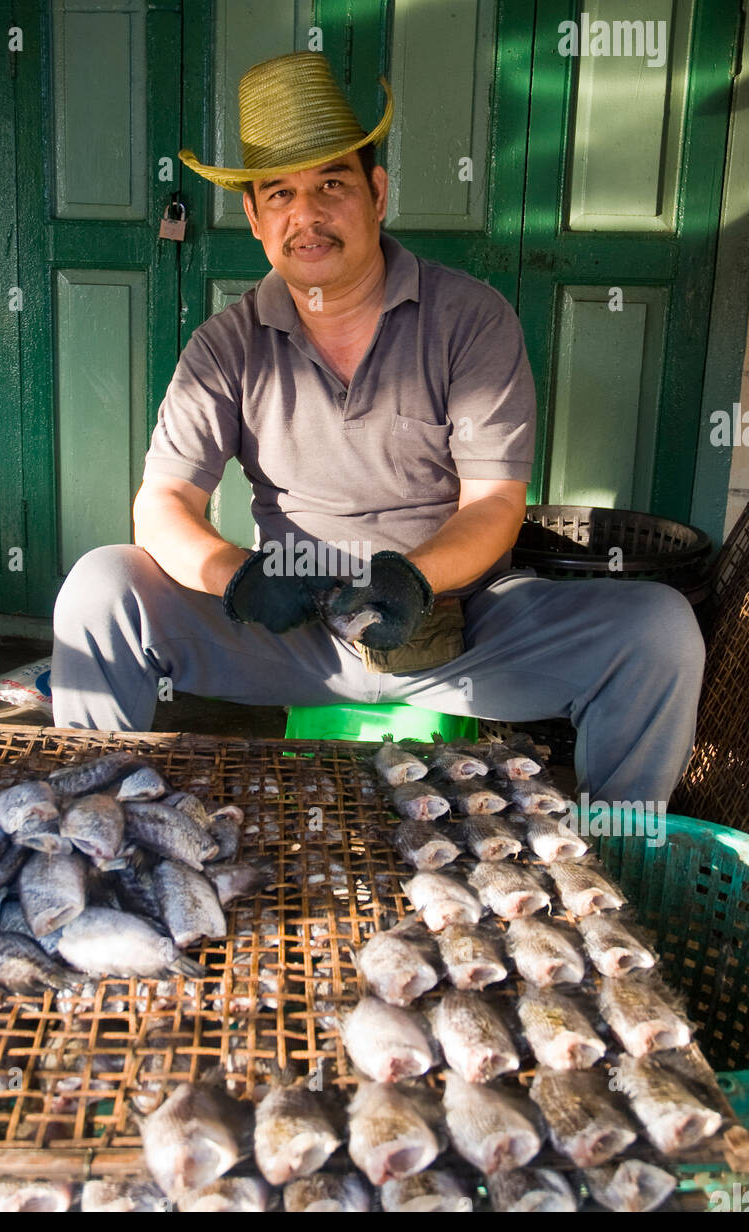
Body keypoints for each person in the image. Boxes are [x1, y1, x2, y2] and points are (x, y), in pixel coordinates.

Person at [51, 50, 705, 811]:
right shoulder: (226, 345)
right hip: (292, 627)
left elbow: (495, 504)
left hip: (453, 624)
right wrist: (238, 576)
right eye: (281, 194)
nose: (308, 214)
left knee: (657, 630)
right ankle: (87, 838)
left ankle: (608, 878)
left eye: (331, 184)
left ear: (377, 193)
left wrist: (416, 576)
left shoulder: (470, 320)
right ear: (257, 218)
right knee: (100, 588)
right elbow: (161, 504)